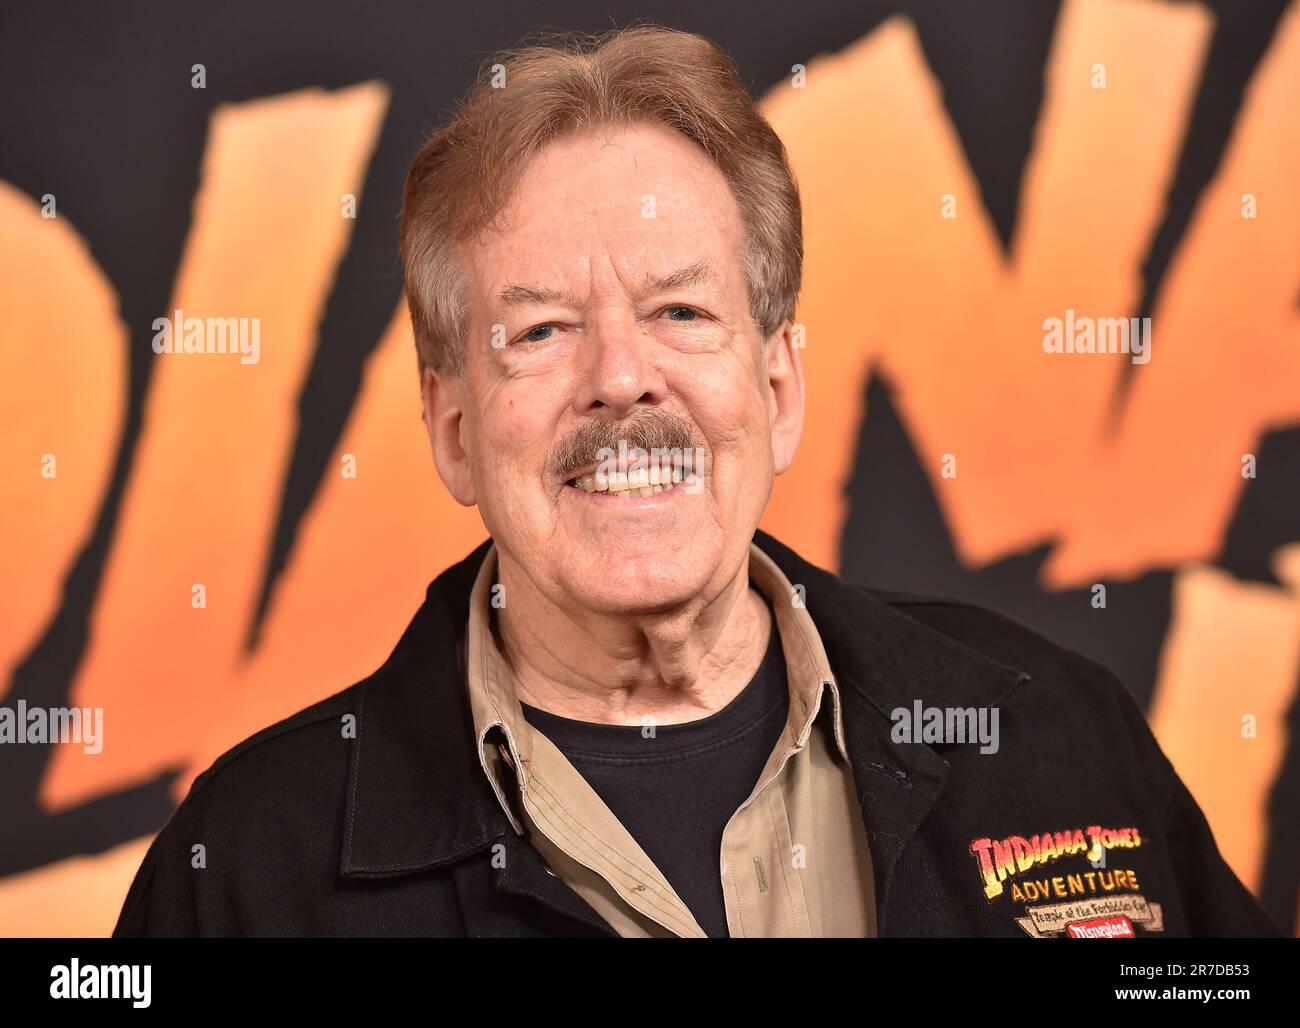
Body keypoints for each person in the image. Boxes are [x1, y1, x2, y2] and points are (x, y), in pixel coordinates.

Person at [114, 24, 1279, 938]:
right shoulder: (248, 873)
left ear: (776, 389)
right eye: (541, 331)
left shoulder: (1053, 738)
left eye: (681, 310)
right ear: (453, 427)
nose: (623, 379)